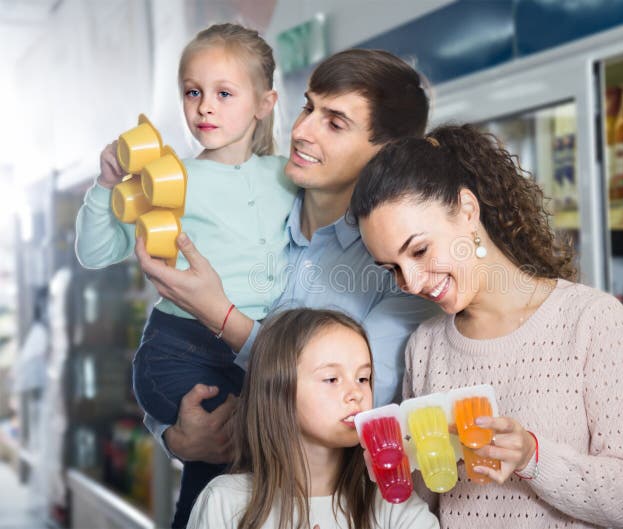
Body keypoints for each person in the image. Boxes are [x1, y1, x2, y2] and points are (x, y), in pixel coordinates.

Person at [134, 48, 438, 526]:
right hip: (219, 487)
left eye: (334, 123)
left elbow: (365, 404)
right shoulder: (252, 204)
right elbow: (172, 342)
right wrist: (173, 433)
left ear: (386, 152)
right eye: (308, 107)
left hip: (333, 505)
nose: (301, 131)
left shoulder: (397, 270)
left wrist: (223, 316)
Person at [350, 124, 623, 528]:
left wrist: (531, 456)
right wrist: (390, 472)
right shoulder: (424, 347)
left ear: (467, 210)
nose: (411, 282)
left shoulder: (592, 321)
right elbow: (425, 507)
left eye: (420, 250)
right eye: (393, 268)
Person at [74, 23, 295, 528]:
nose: (204, 107)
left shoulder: (286, 176)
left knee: (240, 475)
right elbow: (96, 250)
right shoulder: (170, 175)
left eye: (223, 93)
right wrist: (107, 185)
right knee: (227, 456)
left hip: (254, 350)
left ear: (264, 102)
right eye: (192, 92)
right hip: (181, 349)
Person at [187, 308, 439, 529]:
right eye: (331, 379)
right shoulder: (224, 500)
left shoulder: (392, 500)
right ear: (278, 391)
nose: (356, 394)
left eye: (363, 378)